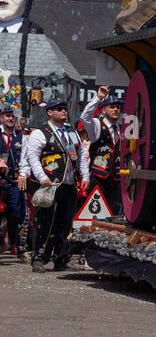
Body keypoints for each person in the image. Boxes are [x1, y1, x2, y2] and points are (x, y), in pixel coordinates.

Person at [20, 98, 89, 272]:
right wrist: (42, 177)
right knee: (44, 221)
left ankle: (61, 258)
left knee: (65, 223)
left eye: (64, 108)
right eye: (59, 109)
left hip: (69, 184)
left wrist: (86, 175)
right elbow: (32, 157)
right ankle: (38, 258)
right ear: (50, 112)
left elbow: (81, 155)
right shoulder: (40, 133)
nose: (63, 111)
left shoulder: (72, 132)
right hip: (49, 184)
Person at [78, 85, 122, 215]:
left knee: (112, 214)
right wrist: (98, 98)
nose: (116, 109)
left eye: (118, 107)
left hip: (115, 179)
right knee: (94, 214)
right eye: (112, 107)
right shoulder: (97, 125)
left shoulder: (121, 128)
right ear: (103, 110)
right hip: (99, 177)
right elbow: (85, 117)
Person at [0, 108, 26, 258]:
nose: (10, 118)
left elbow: (25, 157)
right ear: (2, 118)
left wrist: (23, 174)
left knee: (15, 213)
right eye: (7, 116)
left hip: (14, 181)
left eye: (12, 116)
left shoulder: (21, 136)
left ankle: (14, 242)